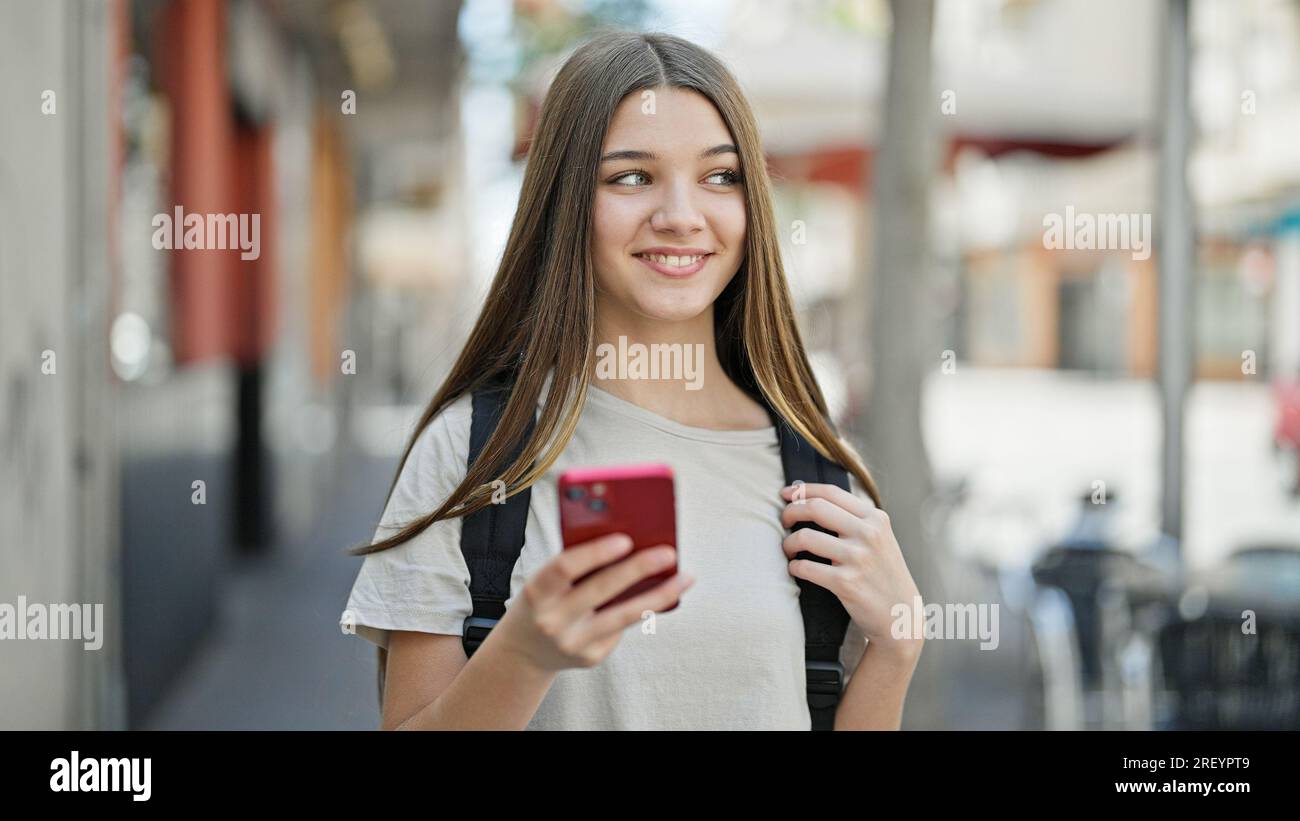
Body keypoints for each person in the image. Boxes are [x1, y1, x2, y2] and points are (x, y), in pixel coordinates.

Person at [340, 30, 924, 730]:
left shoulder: (818, 473)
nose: (681, 216)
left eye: (720, 176)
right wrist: (525, 649)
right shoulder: (475, 454)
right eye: (632, 177)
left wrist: (895, 647)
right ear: (566, 204)